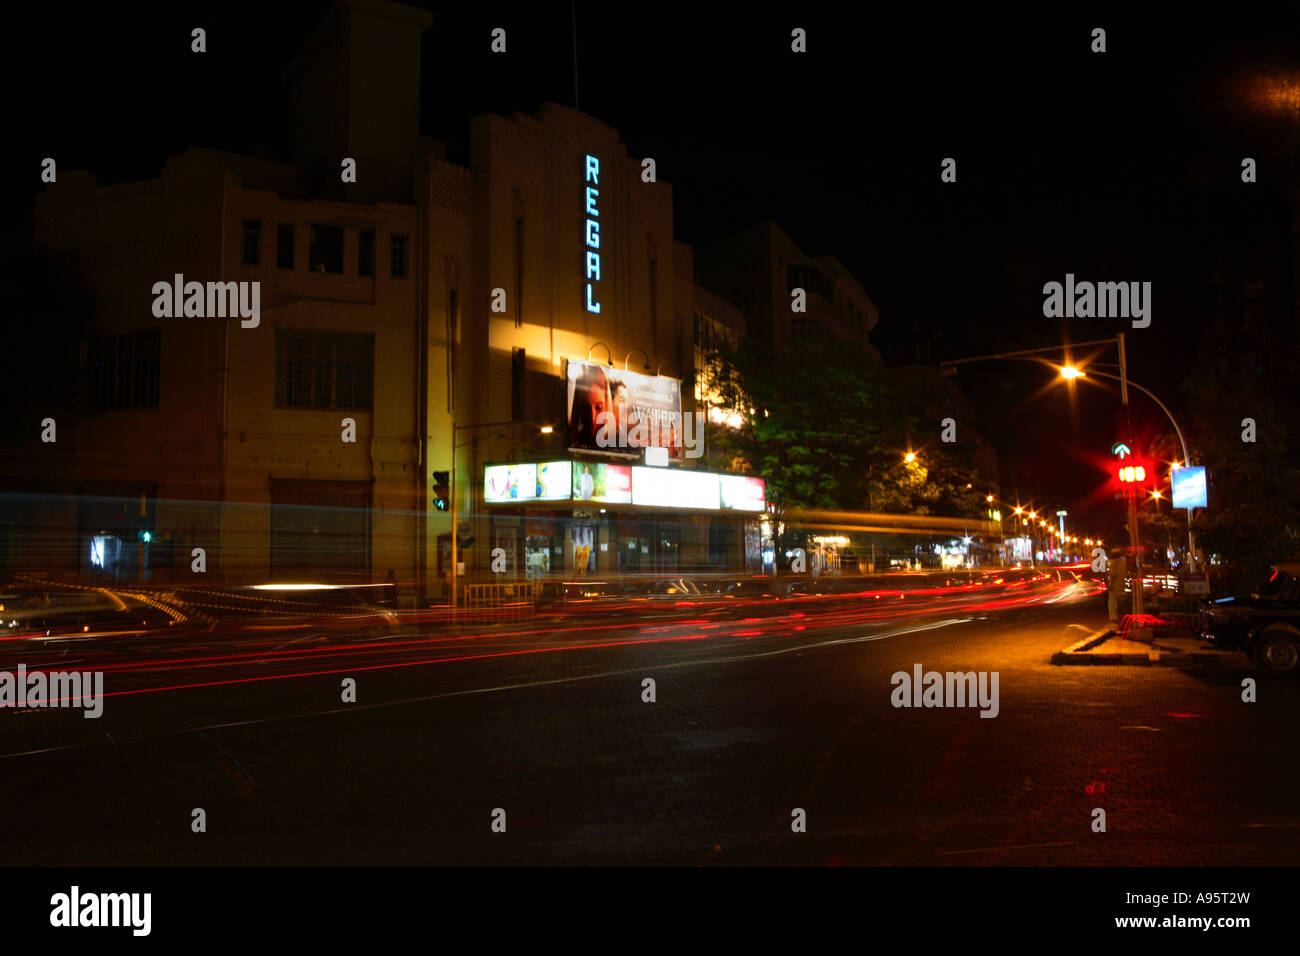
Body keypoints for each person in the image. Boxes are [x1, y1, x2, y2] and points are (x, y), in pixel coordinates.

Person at [568, 365, 611, 450]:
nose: (593, 417)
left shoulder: (616, 441)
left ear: (607, 405)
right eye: (586, 407)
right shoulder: (572, 439)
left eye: (598, 407)